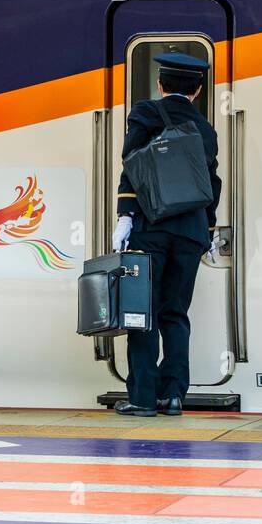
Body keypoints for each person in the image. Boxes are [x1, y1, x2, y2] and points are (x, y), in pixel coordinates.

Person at [111, 52, 223, 417]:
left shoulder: (144, 114)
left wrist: (125, 216)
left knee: (141, 312)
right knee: (175, 312)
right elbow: (212, 184)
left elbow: (132, 165)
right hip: (190, 233)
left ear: (161, 85)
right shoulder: (206, 129)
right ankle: (173, 394)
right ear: (198, 89)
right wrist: (205, 230)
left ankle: (143, 398)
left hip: (152, 229)